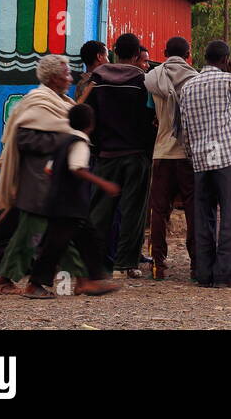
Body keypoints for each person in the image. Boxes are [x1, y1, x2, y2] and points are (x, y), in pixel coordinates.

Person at [0, 55, 89, 293]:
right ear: (54, 77)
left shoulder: (61, 101)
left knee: (59, 233)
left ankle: (83, 279)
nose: (70, 78)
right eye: (66, 74)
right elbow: (24, 138)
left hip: (53, 182)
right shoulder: (38, 102)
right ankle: (8, 280)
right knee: (31, 235)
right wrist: (64, 141)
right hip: (37, 182)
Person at [21, 104, 123, 299]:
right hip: (70, 205)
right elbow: (77, 169)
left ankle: (90, 281)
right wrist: (104, 184)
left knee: (88, 240)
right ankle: (35, 285)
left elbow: (48, 170)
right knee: (56, 246)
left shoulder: (63, 142)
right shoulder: (79, 143)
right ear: (91, 124)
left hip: (63, 204)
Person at [178, 40, 231, 288]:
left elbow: (184, 128)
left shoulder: (188, 87)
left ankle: (204, 273)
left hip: (200, 157)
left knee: (203, 216)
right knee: (229, 215)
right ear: (225, 59)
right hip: (226, 154)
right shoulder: (229, 80)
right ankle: (223, 274)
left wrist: (191, 154)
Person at [85, 31, 155, 277]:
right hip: (136, 155)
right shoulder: (144, 82)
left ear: (114, 52)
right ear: (137, 55)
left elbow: (88, 118)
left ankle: (96, 264)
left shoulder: (97, 81)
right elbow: (151, 119)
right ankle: (127, 263)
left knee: (100, 212)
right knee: (133, 212)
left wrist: (97, 146)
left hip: (106, 156)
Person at [144, 36, 199, 280]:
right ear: (188, 54)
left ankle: (159, 263)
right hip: (188, 154)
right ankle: (197, 262)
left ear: (165, 52)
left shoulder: (153, 79)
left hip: (162, 151)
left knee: (159, 210)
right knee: (193, 209)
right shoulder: (196, 80)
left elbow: (151, 116)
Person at [74, 40, 108, 106]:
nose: (108, 61)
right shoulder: (101, 82)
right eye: (107, 56)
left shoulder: (80, 84)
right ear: (99, 57)